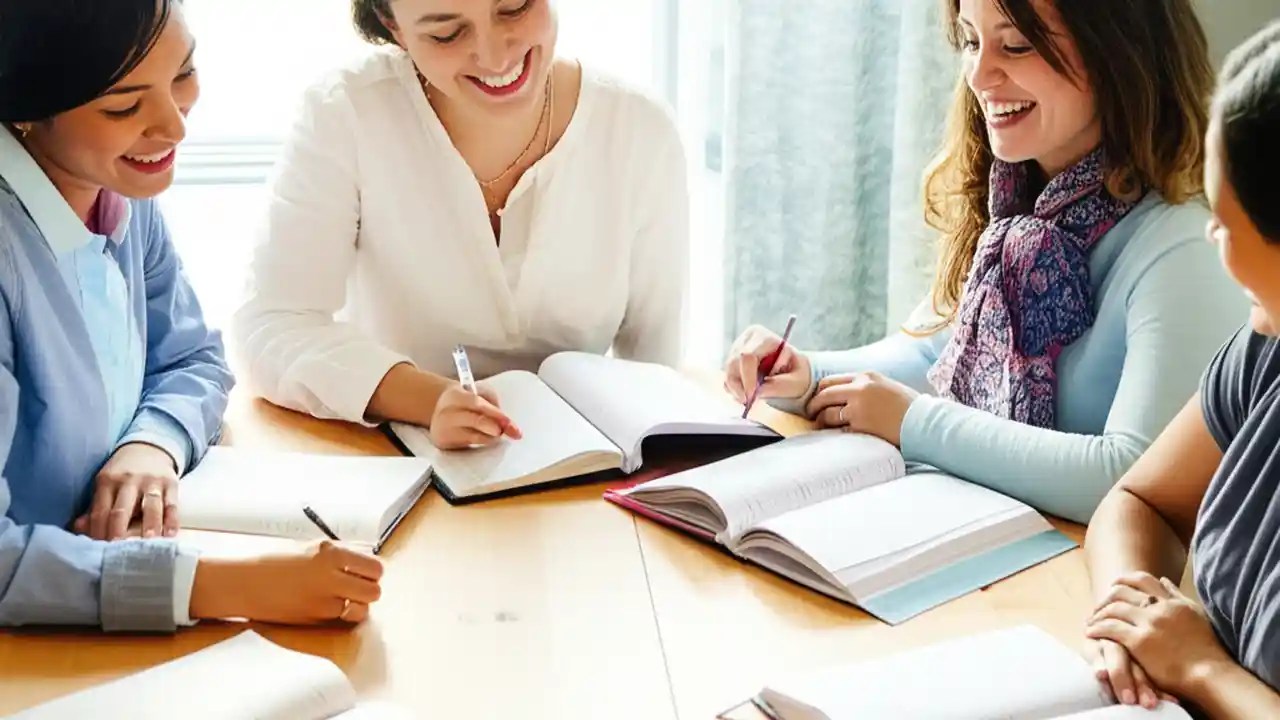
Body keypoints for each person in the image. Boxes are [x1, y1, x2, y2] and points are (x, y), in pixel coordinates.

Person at [723, 0, 1244, 524]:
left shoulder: (1182, 247)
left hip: (1086, 583)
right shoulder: (1015, 209)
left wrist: (915, 423)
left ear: (1119, 54)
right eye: (971, 42)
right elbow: (935, 358)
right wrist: (806, 374)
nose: (978, 73)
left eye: (1016, 45)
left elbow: (1130, 476)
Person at [0, 0, 381, 631]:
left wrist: (154, 443)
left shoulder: (113, 186)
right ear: (24, 112)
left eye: (183, 74)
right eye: (124, 106)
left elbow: (192, 357)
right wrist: (223, 586)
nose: (174, 127)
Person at [232, 0, 689, 450]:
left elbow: (656, 370)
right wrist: (428, 400)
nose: (495, 56)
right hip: (398, 464)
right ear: (395, 28)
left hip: (589, 481)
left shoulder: (639, 129)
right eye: (446, 33)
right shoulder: (346, 113)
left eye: (514, 8)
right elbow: (271, 326)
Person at [1084, 22, 1280, 717]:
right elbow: (1141, 501)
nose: (1210, 236)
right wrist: (1127, 616)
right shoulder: (1268, 347)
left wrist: (1200, 668)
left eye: (1226, 221)